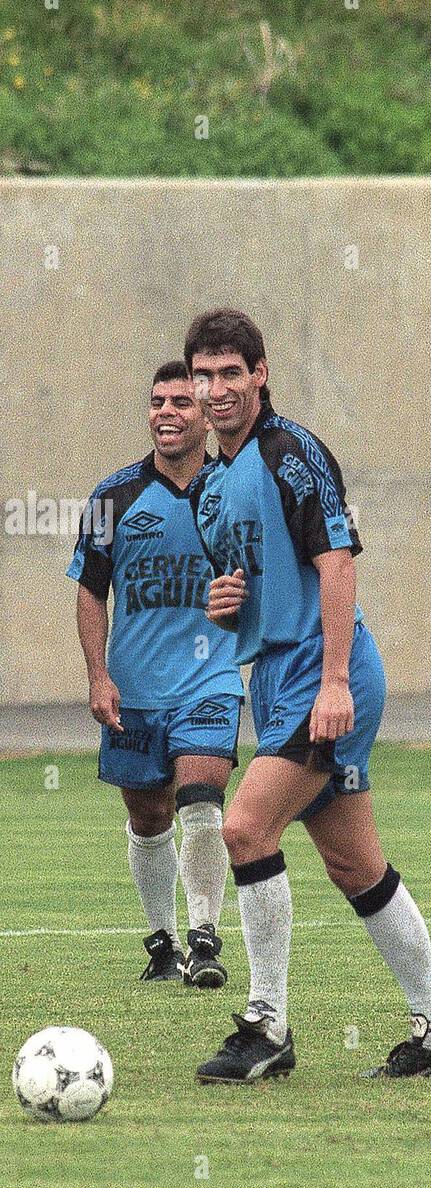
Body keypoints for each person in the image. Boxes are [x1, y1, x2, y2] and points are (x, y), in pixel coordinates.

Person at [184, 307, 431, 1083]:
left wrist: (337, 682)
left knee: (243, 828)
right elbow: (263, 583)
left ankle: (267, 1027)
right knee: (356, 866)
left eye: (229, 374)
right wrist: (228, 601)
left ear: (260, 374)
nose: (216, 390)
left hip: (323, 674)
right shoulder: (213, 483)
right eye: (203, 375)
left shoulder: (291, 451)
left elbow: (336, 560)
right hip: (277, 677)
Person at [68, 362, 239, 987]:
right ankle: (163, 943)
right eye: (157, 402)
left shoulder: (235, 487)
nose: (166, 412)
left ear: (204, 415)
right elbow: (91, 593)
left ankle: (205, 937)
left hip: (211, 680)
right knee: (148, 817)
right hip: (135, 688)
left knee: (201, 797)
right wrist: (97, 677)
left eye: (181, 403)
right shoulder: (111, 498)